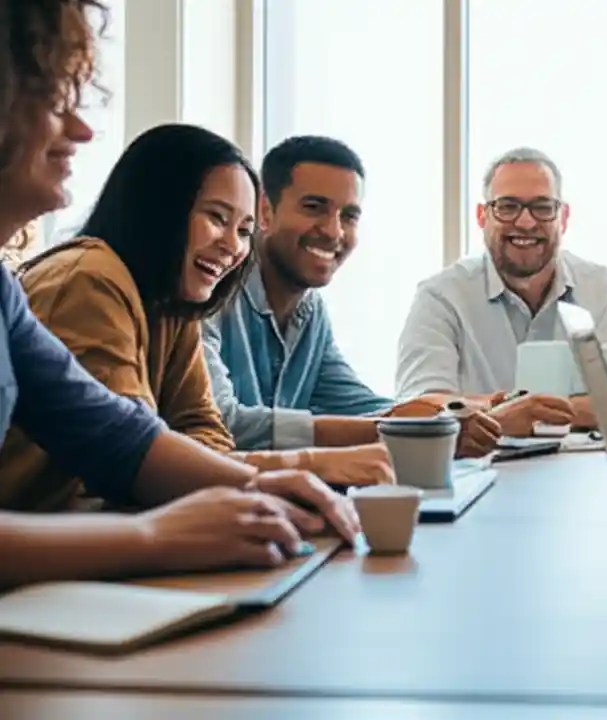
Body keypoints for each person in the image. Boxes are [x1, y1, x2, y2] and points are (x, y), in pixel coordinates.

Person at [0, 0, 356, 589]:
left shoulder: (156, 304)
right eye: (54, 100)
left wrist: (259, 487)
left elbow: (121, 438)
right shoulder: (88, 274)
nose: (85, 130)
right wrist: (157, 536)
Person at [0, 124, 400, 513]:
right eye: (216, 218)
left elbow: (205, 436)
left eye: (244, 230)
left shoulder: (174, 304)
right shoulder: (89, 277)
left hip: (91, 535)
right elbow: (129, 456)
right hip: (51, 545)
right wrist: (305, 466)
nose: (232, 246)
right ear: (161, 208)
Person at [203, 136, 500, 458]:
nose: (333, 231)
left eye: (349, 216)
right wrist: (421, 430)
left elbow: (360, 406)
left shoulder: (310, 311)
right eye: (314, 207)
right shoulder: (210, 288)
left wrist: (474, 409)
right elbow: (221, 423)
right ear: (264, 210)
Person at [395, 147, 607, 436]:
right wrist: (517, 410)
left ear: (563, 217)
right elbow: (420, 407)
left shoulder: (602, 289)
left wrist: (505, 411)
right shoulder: (440, 296)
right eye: (507, 206)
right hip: (477, 470)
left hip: (581, 467)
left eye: (542, 207)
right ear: (482, 217)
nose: (526, 222)